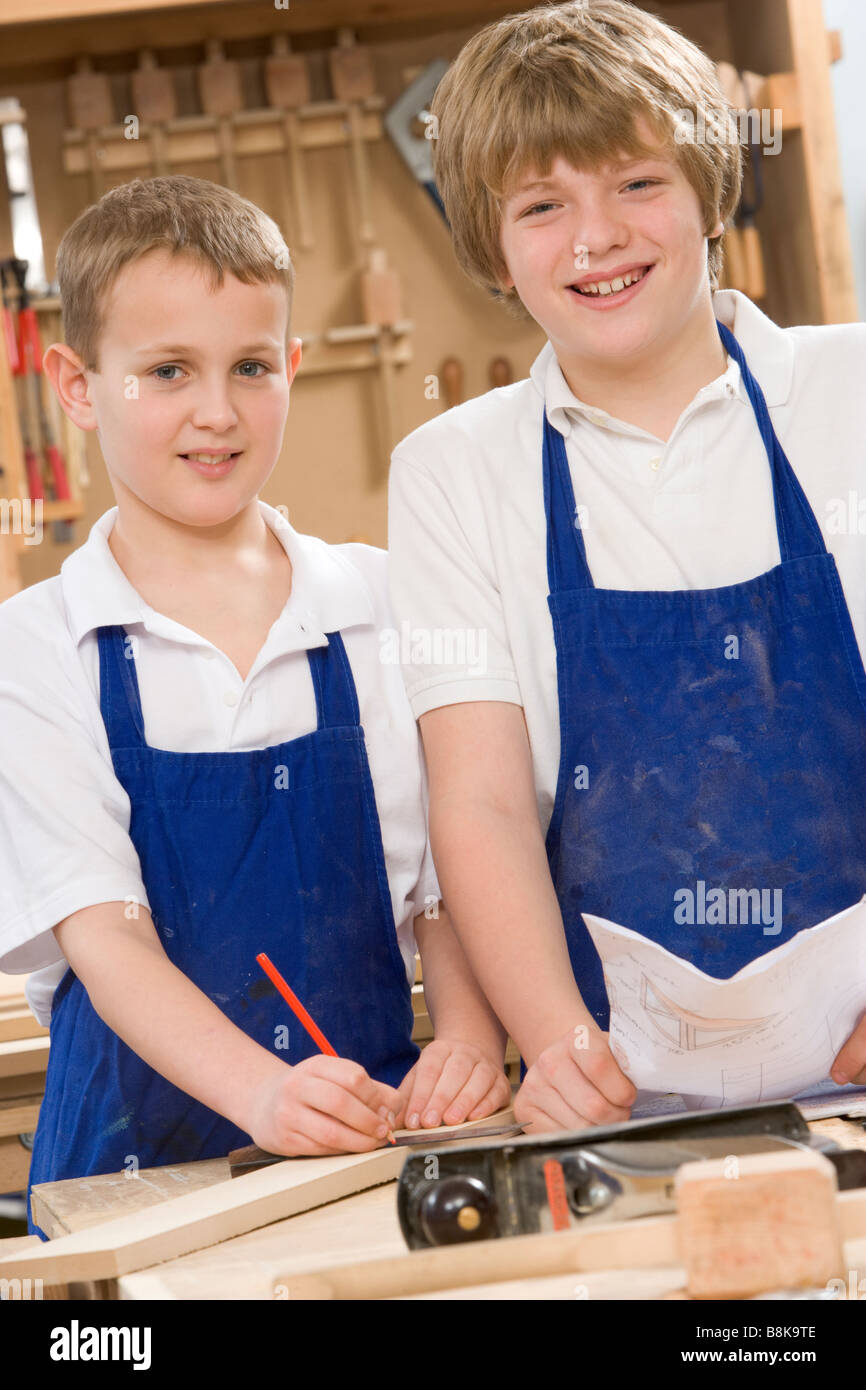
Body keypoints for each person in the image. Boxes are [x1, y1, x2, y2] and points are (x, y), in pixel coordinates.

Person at [386, 0, 866, 1132]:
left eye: (634, 183)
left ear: (706, 189)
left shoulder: (846, 398)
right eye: (541, 206)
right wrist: (554, 1045)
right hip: (620, 1103)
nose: (593, 238)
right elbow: (481, 800)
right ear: (490, 250)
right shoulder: (453, 471)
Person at [0, 175, 509, 1234]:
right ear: (78, 384)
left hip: (368, 1147)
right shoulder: (37, 647)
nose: (217, 412)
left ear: (294, 367)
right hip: (126, 1188)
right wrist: (264, 1095)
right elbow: (108, 937)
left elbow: (445, 887)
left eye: (250, 367)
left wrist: (461, 1036)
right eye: (167, 371)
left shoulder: (376, 599)